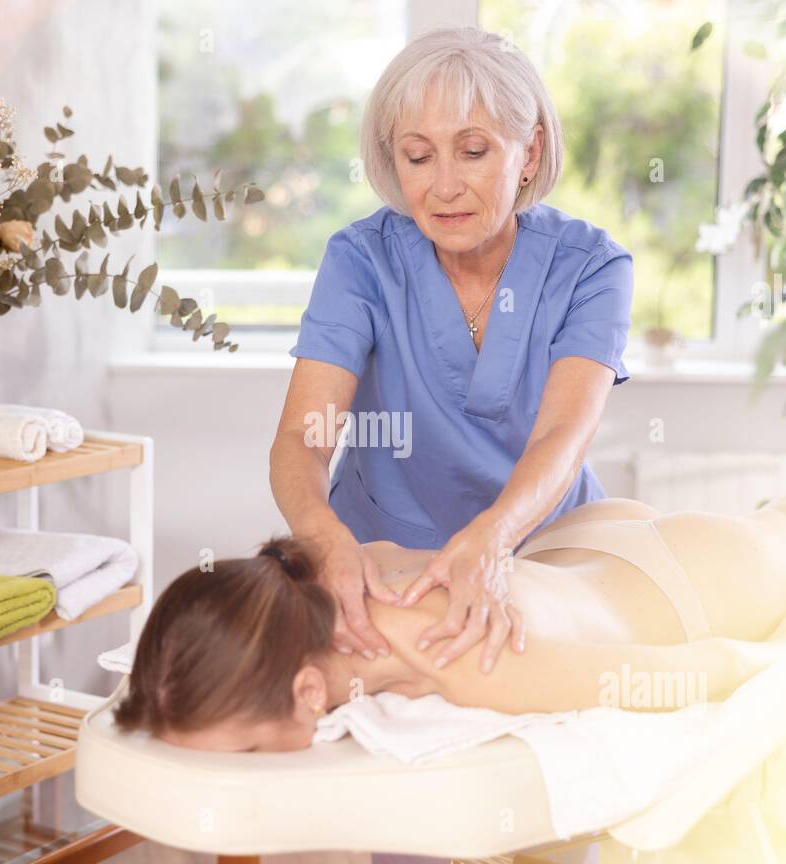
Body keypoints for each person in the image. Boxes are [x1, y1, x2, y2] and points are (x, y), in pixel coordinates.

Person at [269, 26, 634, 687]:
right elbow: (302, 434)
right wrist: (321, 538)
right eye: (417, 157)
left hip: (545, 548)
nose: (443, 187)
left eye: (472, 152)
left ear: (530, 153)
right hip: (387, 555)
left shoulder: (591, 267)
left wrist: (493, 539)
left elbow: (563, 432)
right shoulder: (362, 262)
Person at [114, 486, 786, 753]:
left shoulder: (459, 654)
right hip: (592, 553)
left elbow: (669, 678)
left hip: (704, 583)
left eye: (251, 750)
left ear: (303, 689)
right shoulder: (331, 580)